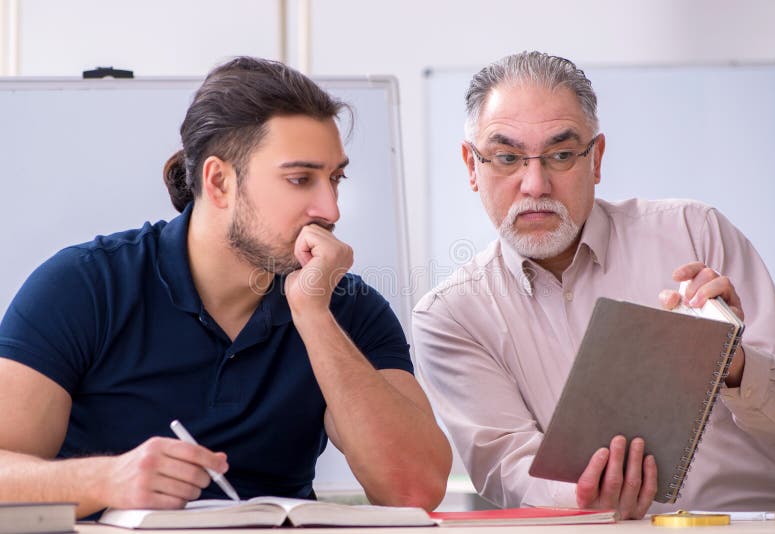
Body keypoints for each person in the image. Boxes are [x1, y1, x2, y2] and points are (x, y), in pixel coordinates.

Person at [0, 57, 451, 519]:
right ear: (219, 182)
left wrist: (313, 316)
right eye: (301, 179)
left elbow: (413, 489)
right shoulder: (84, 286)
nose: (330, 208)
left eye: (335, 179)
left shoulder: (347, 307)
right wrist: (106, 479)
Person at [412, 50, 775, 519]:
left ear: (595, 159)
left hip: (766, 523)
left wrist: (735, 364)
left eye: (559, 154)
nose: (534, 184)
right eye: (507, 157)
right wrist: (582, 497)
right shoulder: (452, 315)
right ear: (472, 167)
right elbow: (507, 468)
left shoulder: (694, 232)